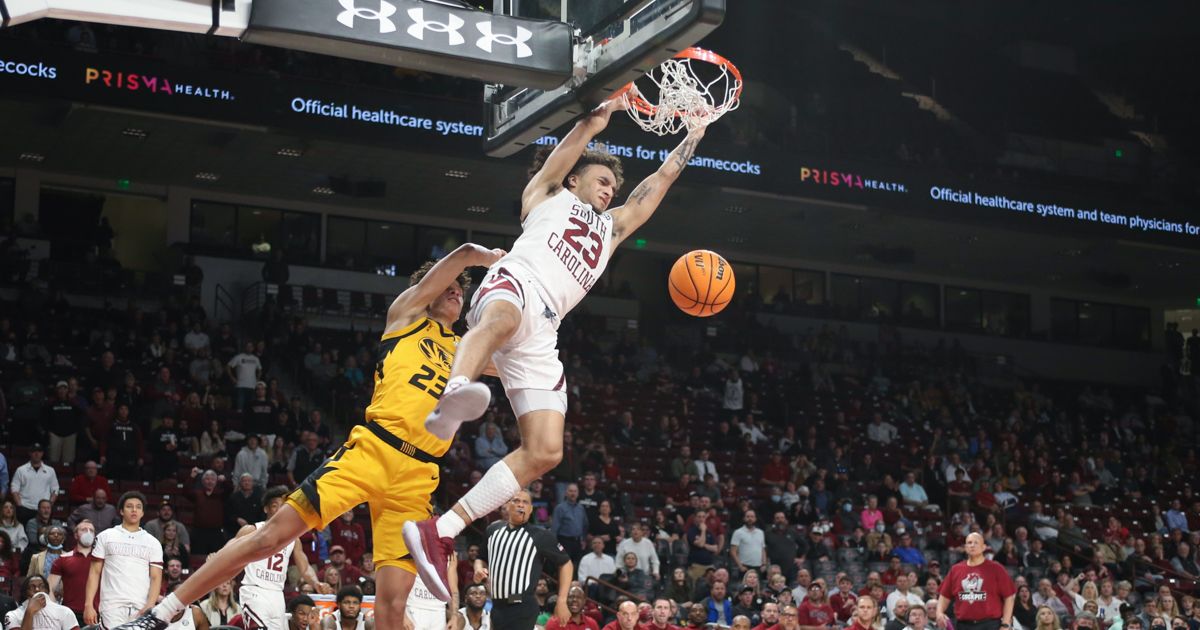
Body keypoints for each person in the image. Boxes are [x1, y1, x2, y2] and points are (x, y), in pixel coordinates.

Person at [406, 95, 709, 600]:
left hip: (546, 331)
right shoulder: (548, 194)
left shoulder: (612, 231)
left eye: (614, 186)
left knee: (547, 451)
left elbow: (658, 185)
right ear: (574, 181)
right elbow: (578, 136)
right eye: (602, 181)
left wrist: (694, 135)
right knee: (502, 317)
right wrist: (600, 113)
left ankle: (442, 532)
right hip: (516, 283)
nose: (610, 190)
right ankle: (456, 392)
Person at [111, 246, 503, 630]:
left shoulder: (464, 349)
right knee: (269, 538)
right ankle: (161, 614)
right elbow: (460, 257)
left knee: (393, 607)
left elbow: (520, 364)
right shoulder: (405, 317)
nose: (456, 291)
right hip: (374, 449)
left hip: (418, 476)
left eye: (461, 289)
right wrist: (483, 258)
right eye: (450, 285)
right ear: (430, 292)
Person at [475, 491, 572, 629]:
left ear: (531, 509)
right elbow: (481, 558)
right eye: (516, 501)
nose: (521, 505)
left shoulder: (541, 535)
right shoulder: (492, 530)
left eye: (525, 502)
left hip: (522, 606)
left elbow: (566, 563)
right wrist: (479, 569)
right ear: (507, 505)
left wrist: (562, 600)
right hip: (497, 606)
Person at [236, 486, 326, 629]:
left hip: (277, 594)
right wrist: (215, 556)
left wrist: (316, 583)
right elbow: (229, 549)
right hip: (255, 591)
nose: (279, 510)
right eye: (274, 506)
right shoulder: (252, 530)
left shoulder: (294, 538)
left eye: (283, 506)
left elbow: (304, 567)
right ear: (266, 509)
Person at [84, 492, 162, 628]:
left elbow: (156, 577)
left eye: (138, 507)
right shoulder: (105, 536)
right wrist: (88, 604)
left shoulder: (153, 542)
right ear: (121, 511)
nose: (134, 510)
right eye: (129, 506)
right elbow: (94, 572)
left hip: (141, 608)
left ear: (143, 513)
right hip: (111, 606)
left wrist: (150, 605)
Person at [936, 533, 1016, 630]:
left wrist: (1005, 624)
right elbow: (944, 595)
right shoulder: (955, 569)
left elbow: (1009, 597)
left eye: (976, 543)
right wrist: (939, 612)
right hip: (963, 625)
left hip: (990, 625)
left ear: (983, 547)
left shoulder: (996, 568)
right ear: (965, 547)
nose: (972, 545)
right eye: (969, 543)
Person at [49, 520, 95, 622]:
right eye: (84, 530)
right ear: (75, 535)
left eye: (91, 530)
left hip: (95, 613)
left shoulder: (101, 560)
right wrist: (55, 611)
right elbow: (49, 588)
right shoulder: (62, 559)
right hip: (70, 615)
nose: (88, 533)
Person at [4, 575, 79, 630]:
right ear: (24, 593)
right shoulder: (13, 615)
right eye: (32, 587)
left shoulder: (65, 612)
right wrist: (29, 611)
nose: (37, 589)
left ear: (47, 591)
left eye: (41, 586)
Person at [11, 444, 58, 523]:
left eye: (39, 451)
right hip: (25, 508)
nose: (37, 454)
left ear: (42, 453)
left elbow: (55, 489)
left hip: (43, 509)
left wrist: (49, 505)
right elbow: (14, 489)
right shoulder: (21, 470)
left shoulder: (50, 470)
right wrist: (19, 505)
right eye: (34, 451)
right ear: (30, 453)